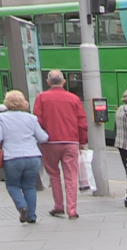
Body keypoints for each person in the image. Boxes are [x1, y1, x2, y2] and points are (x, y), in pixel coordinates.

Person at [33, 69, 87, 219]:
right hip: (71, 141)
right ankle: (72, 210)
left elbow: (38, 120)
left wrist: (42, 137)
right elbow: (82, 122)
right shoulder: (74, 98)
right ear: (63, 82)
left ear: (48, 82)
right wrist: (82, 141)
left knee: (54, 174)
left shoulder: (41, 98)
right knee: (71, 175)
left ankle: (58, 205)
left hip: (49, 142)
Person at [0, 90, 48, 224]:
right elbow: (43, 138)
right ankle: (32, 216)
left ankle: (22, 206)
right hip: (33, 157)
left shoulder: (2, 118)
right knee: (29, 186)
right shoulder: (31, 118)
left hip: (12, 157)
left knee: (13, 185)